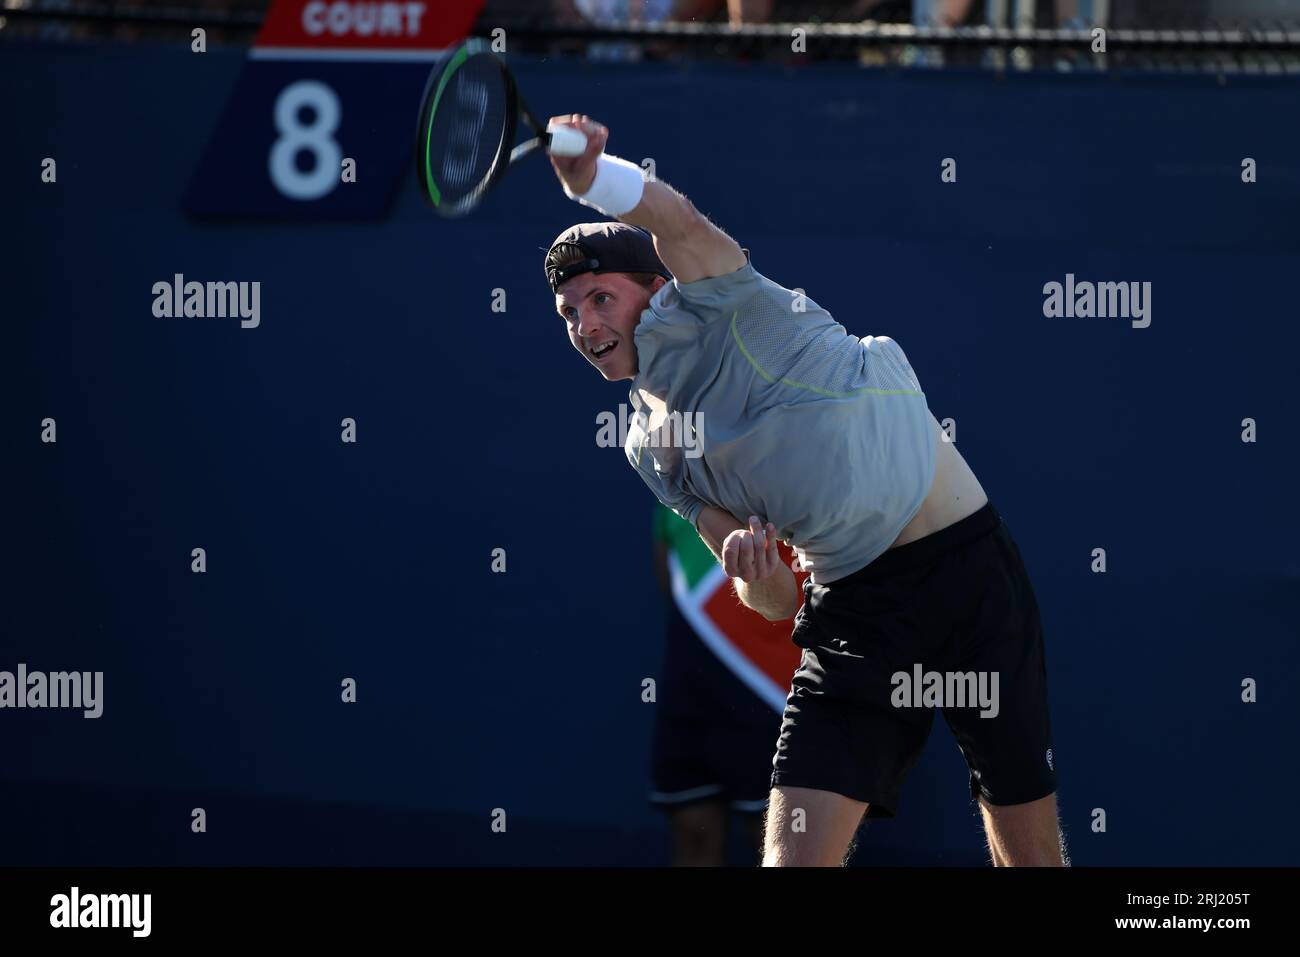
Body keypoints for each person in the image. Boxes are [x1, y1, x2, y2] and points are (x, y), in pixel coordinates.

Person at [542, 114, 1064, 867]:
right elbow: (776, 601)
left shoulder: (726, 297)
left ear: (655, 289)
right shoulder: (650, 449)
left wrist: (593, 180)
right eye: (568, 312)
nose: (585, 325)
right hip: (854, 615)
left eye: (599, 298)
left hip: (970, 580)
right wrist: (758, 576)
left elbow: (675, 218)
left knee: (1032, 860)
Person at [649, 503, 805, 865]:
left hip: (773, 688)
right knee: (692, 829)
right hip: (690, 678)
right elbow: (666, 561)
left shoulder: (792, 460)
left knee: (779, 844)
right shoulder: (669, 465)